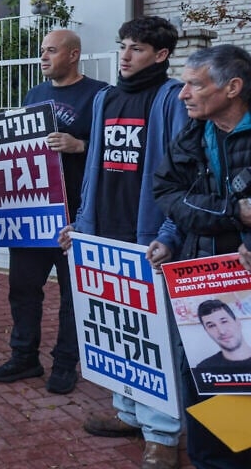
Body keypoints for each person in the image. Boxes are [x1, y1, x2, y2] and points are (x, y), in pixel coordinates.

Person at [60, 17, 188, 469]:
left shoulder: (171, 98)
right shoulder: (104, 98)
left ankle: (163, 435)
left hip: (149, 237)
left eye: (137, 48)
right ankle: (129, 414)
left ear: (161, 54)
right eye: (124, 46)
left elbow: (182, 175)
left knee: (157, 338)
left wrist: (171, 235)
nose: (126, 55)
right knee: (116, 327)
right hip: (104, 233)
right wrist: (80, 224)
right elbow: (95, 165)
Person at [150, 44, 251, 468]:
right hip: (200, 277)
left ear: (232, 87)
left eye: (194, 84)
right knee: (205, 378)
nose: (182, 93)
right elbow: (167, 192)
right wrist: (232, 213)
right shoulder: (193, 133)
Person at [0, 30, 106, 394]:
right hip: (33, 215)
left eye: (51, 51)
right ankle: (24, 357)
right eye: (41, 51)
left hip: (76, 218)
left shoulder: (100, 95)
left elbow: (112, 149)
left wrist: (79, 144)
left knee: (73, 295)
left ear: (73, 55)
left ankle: (65, 364)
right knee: (23, 289)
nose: (43, 57)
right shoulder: (34, 95)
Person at [194, 299, 251, 369]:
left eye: (224, 321)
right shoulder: (203, 368)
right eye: (211, 326)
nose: (222, 331)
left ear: (237, 322)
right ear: (206, 331)